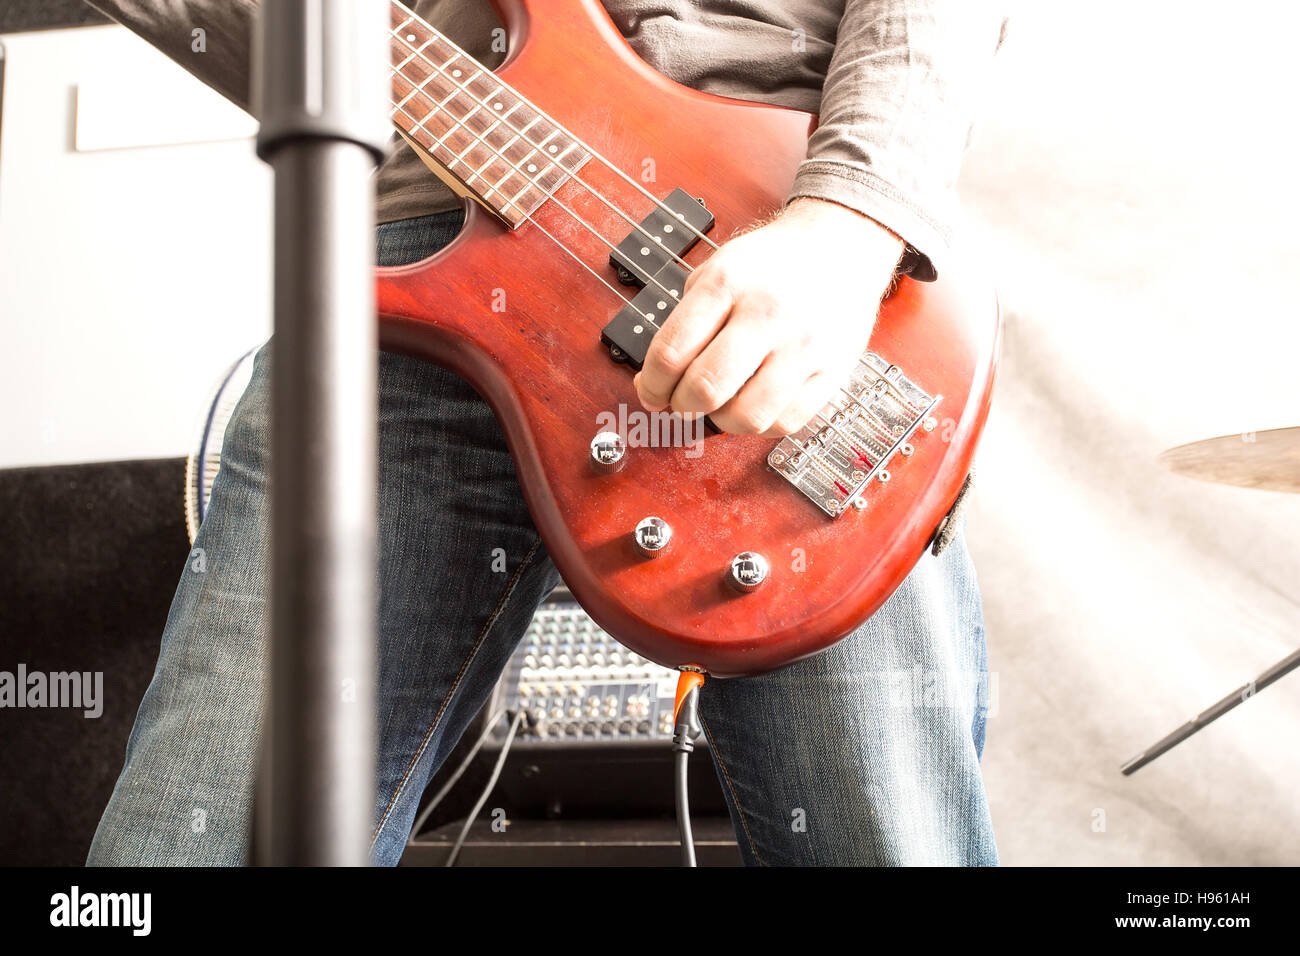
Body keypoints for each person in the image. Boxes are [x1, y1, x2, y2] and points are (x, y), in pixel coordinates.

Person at [86, 0, 1006, 866]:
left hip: (765, 238)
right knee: (198, 840)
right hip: (415, 254)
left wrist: (851, 217)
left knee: (883, 840)